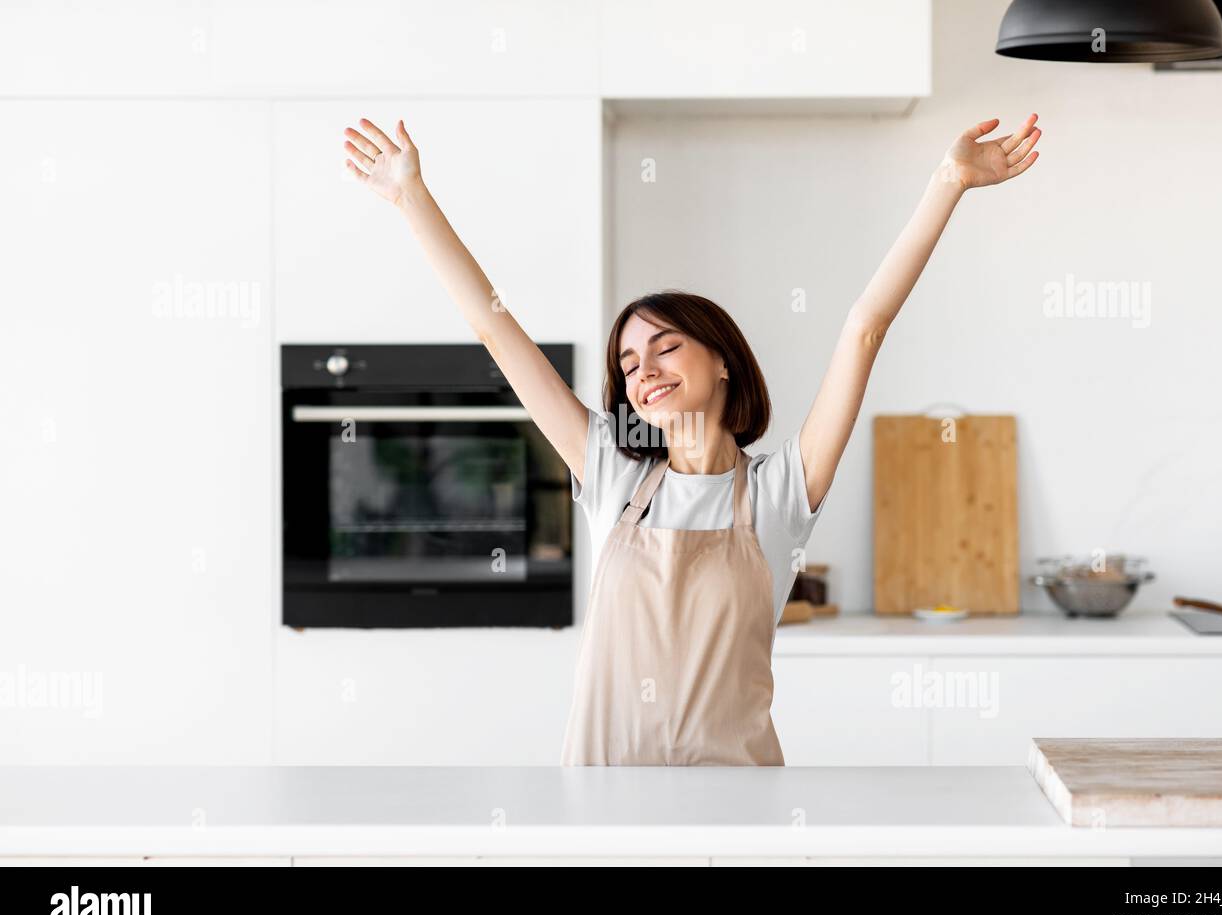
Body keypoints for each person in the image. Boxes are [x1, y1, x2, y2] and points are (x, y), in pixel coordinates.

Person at [343, 113, 1042, 766]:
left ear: (722, 360)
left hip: (737, 812)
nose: (644, 370)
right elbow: (495, 328)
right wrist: (411, 197)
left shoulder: (780, 494)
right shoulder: (611, 475)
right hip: (604, 806)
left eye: (666, 347)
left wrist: (948, 183)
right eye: (628, 364)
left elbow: (865, 328)